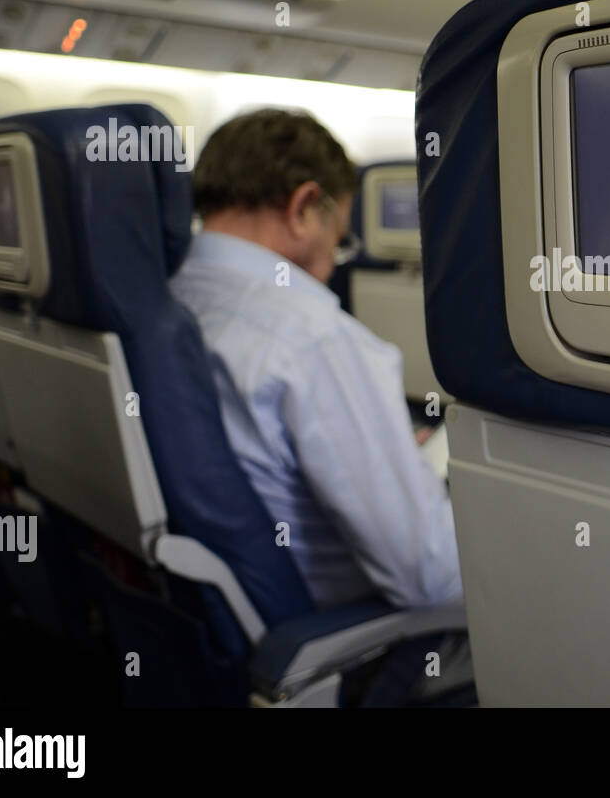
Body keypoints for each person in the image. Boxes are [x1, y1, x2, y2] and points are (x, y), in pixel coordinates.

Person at [168, 108, 463, 613]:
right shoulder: (313, 340)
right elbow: (431, 578)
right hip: (348, 640)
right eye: (340, 237)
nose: (334, 261)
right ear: (305, 207)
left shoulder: (169, 297)